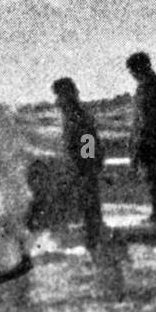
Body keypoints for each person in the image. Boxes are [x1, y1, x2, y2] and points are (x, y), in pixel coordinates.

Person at [51, 77, 104, 249]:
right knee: (84, 200)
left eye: (60, 95)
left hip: (84, 165)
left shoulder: (78, 115)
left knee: (88, 199)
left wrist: (85, 167)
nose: (57, 100)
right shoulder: (72, 113)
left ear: (69, 94)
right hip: (80, 164)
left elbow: (87, 141)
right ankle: (91, 234)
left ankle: (93, 237)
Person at [125, 52, 156, 226]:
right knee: (154, 178)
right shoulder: (146, 86)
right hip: (150, 138)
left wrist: (142, 141)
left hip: (152, 138)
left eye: (133, 71)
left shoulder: (153, 87)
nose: (132, 75)